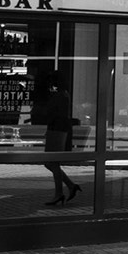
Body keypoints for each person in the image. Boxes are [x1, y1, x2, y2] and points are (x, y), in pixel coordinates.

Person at [40, 75, 80, 205]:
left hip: (56, 129)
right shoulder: (64, 95)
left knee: (52, 162)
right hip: (59, 129)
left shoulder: (59, 96)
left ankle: (60, 193)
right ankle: (69, 186)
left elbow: (53, 113)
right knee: (51, 162)